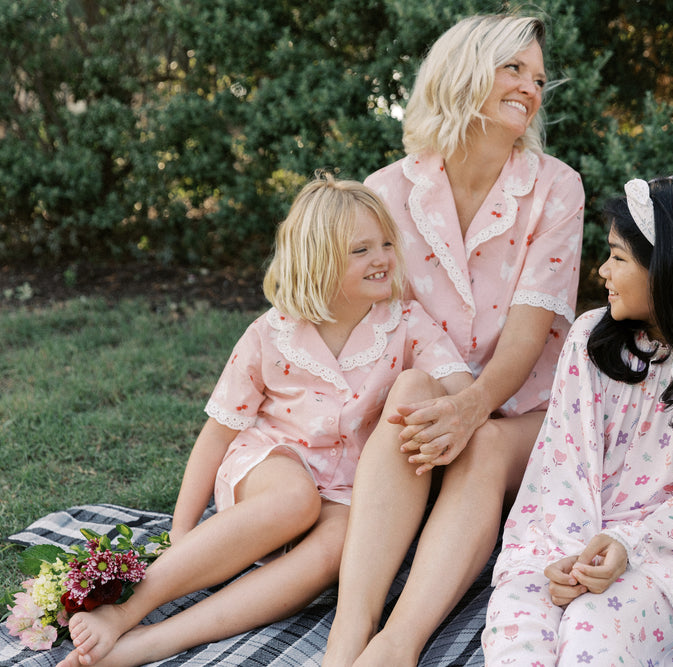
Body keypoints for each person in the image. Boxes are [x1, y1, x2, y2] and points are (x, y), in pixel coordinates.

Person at [56, 174, 472, 667]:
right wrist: (182, 530)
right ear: (317, 258)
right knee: (294, 498)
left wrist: (452, 408)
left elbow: (459, 389)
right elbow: (219, 432)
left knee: (339, 547)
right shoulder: (270, 334)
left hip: (350, 487)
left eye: (385, 243)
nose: (381, 257)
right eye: (361, 249)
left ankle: (154, 642)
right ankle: (128, 611)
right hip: (273, 462)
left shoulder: (407, 323)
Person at [323, 14, 584, 667]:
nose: (531, 86)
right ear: (466, 70)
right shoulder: (386, 191)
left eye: (539, 77)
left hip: (529, 413)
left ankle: (397, 643)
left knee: (489, 434)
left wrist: (472, 408)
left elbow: (527, 334)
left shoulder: (557, 188)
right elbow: (398, 327)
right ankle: (346, 637)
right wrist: (452, 401)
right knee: (410, 387)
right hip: (428, 408)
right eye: (513, 68)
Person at [482, 175, 673, 665]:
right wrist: (568, 559)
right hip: (565, 540)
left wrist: (628, 542)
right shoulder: (591, 341)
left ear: (670, 268)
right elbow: (562, 469)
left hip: (670, 557)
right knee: (516, 638)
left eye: (618, 257)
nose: (602, 270)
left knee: (590, 635)